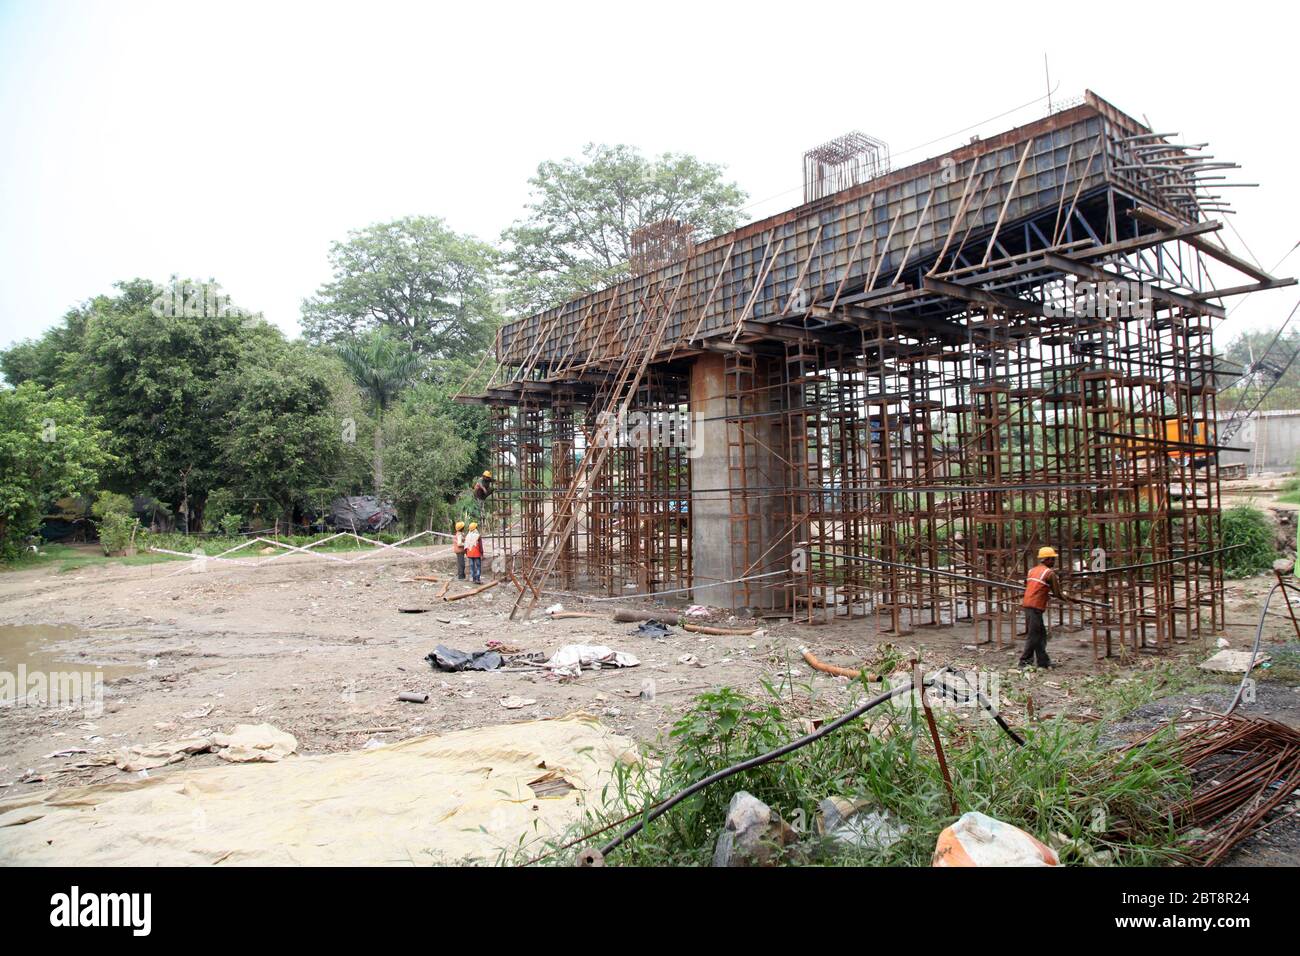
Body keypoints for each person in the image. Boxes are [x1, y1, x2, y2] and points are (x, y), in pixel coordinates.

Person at [1020, 546, 1066, 668]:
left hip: (1029, 605)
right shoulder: (1049, 573)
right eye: (1052, 559)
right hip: (1035, 606)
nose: (1053, 562)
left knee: (1040, 635)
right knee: (1034, 635)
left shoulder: (1032, 570)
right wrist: (1070, 599)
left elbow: (1034, 588)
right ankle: (1024, 662)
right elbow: (1057, 593)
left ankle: (1043, 662)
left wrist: (1044, 594)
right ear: (1046, 559)